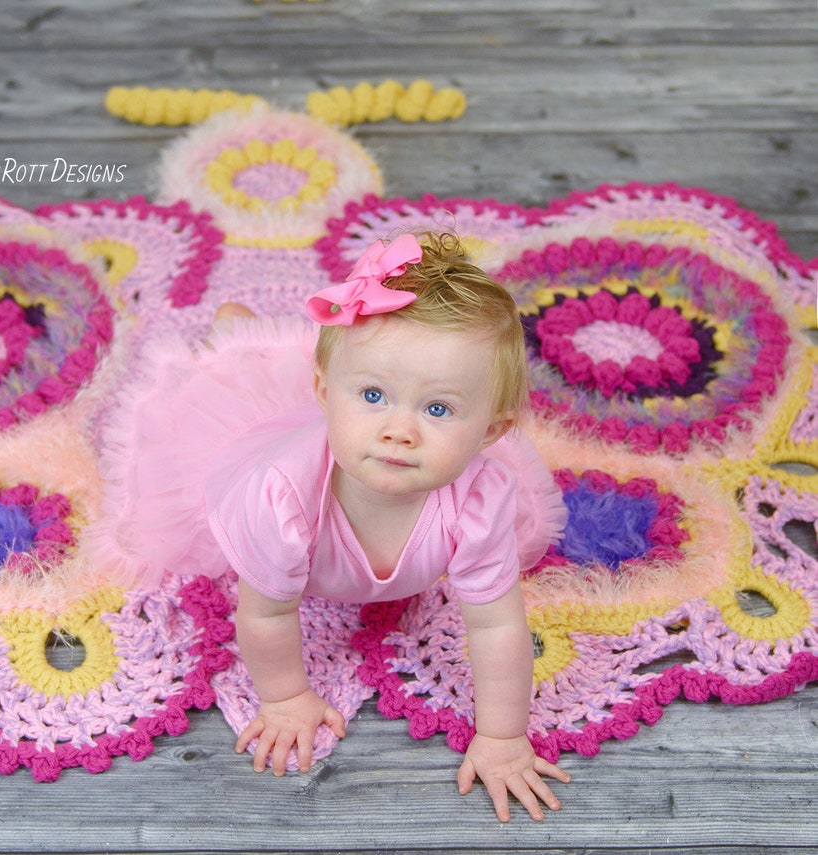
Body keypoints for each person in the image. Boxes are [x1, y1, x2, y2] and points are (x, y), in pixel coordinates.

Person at [88, 231, 571, 821]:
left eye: (438, 409)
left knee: (361, 369)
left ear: (492, 433)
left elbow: (497, 628)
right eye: (373, 396)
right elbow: (264, 611)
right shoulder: (278, 497)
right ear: (326, 393)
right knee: (233, 380)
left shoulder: (481, 498)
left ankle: (288, 351)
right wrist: (286, 696)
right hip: (251, 451)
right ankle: (231, 333)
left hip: (346, 433)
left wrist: (502, 737)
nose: (400, 430)